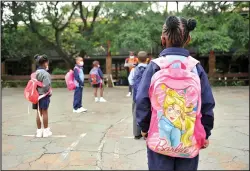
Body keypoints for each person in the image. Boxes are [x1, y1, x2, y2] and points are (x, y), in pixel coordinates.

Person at [136, 16, 215, 170]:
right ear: (189, 39)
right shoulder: (195, 67)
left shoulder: (155, 66)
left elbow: (141, 100)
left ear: (163, 39)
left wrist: (144, 128)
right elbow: (207, 103)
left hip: (159, 138)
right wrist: (205, 132)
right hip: (189, 138)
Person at [128, 51, 148, 139]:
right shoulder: (150, 69)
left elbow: (131, 81)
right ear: (147, 59)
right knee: (148, 112)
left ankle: (137, 133)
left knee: (136, 112)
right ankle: (147, 132)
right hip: (148, 95)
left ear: (137, 59)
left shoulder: (134, 70)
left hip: (137, 95)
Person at [32, 54, 53, 138]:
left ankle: (39, 131)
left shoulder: (34, 73)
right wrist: (49, 92)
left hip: (36, 95)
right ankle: (46, 131)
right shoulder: (45, 73)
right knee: (45, 112)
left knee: (38, 112)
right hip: (44, 95)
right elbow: (46, 86)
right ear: (45, 63)